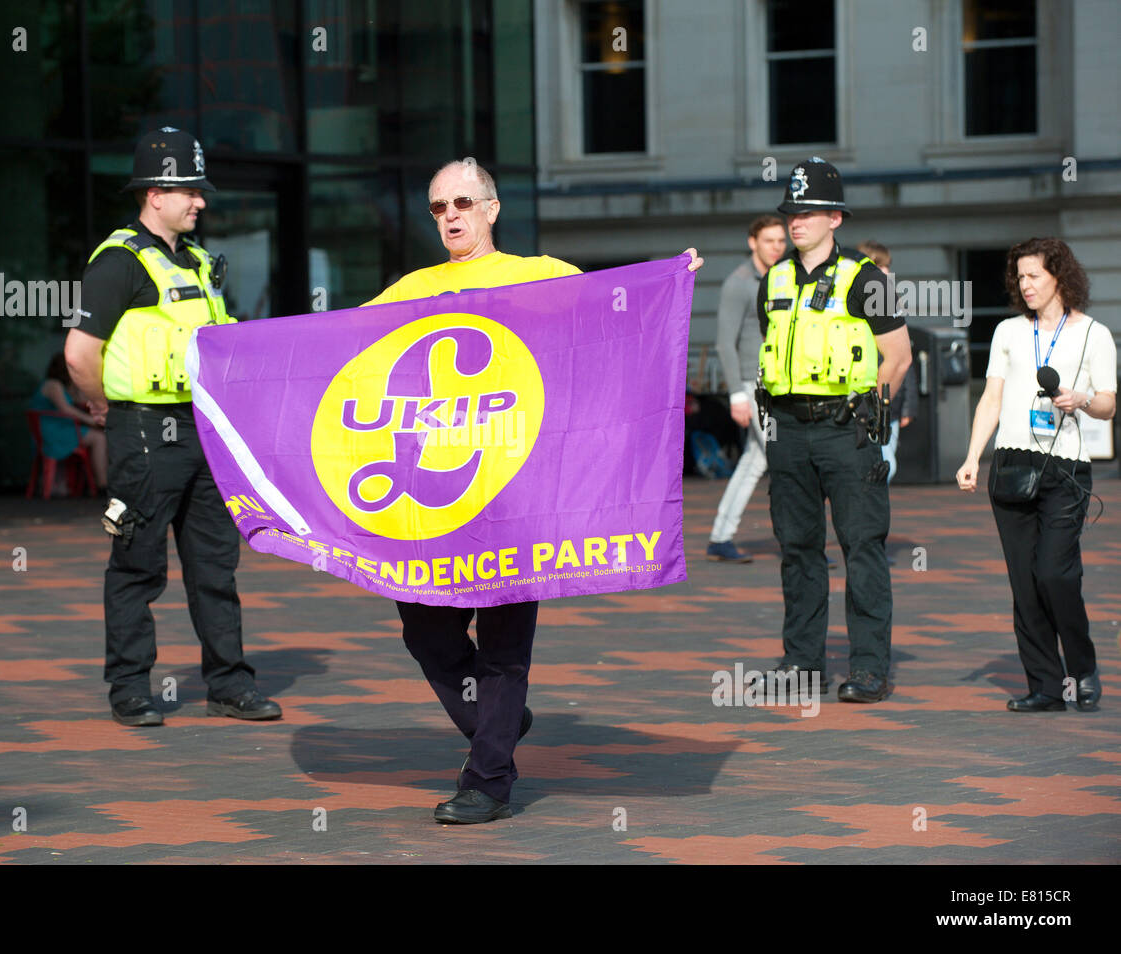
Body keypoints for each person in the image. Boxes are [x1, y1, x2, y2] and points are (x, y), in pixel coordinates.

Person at [365, 158, 703, 822]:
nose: (451, 215)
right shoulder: (409, 288)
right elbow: (337, 355)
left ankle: (487, 779)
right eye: (438, 207)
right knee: (424, 629)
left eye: (463, 202)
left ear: (492, 209)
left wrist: (669, 279)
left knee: (504, 645)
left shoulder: (543, 275)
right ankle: (497, 719)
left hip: (523, 495)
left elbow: (615, 323)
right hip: (432, 500)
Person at [64, 127, 281, 727]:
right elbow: (80, 354)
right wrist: (104, 407)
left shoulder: (199, 263)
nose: (201, 202)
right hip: (142, 430)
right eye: (190, 191)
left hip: (203, 429)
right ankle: (129, 688)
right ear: (155, 193)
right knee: (137, 563)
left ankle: (230, 685)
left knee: (216, 563)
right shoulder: (119, 262)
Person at [751, 158, 912, 703]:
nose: (796, 222)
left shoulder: (865, 279)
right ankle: (802, 665)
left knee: (862, 547)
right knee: (797, 550)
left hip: (847, 430)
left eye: (808, 212)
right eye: (791, 213)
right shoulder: (772, 278)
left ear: (835, 218)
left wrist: (872, 411)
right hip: (789, 429)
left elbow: (899, 355)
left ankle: (869, 668)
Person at [956, 237, 1115, 712]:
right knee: (1024, 585)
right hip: (1010, 465)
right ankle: (1046, 686)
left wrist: (1080, 399)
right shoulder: (1007, 332)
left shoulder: (1094, 334)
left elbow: (1108, 404)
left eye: (1034, 276)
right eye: (1019, 276)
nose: (1024, 285)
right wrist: (972, 456)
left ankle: (1083, 666)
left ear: (1059, 276)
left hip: (1065, 469)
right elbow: (992, 398)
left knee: (1055, 575)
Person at [706, 215, 787, 563]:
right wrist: (737, 395)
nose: (777, 247)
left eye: (781, 241)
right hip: (754, 387)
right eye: (769, 241)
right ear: (752, 242)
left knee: (756, 460)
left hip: (780, 382)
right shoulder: (738, 283)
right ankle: (800, 544)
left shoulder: (784, 277)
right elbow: (725, 343)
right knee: (785, 459)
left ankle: (720, 537)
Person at [856, 241, 918, 484]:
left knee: (886, 463)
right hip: (865, 398)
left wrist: (908, 405)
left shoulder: (889, 300)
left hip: (890, 401)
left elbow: (905, 360)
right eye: (878, 266)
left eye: (886, 266)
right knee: (881, 464)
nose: (886, 272)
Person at [30, 351, 107, 489]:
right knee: (99, 438)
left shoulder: (60, 386)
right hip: (53, 433)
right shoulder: (53, 385)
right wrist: (90, 421)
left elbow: (81, 400)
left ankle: (95, 481)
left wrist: (76, 384)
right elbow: (66, 409)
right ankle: (102, 483)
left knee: (99, 435)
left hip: (59, 428)